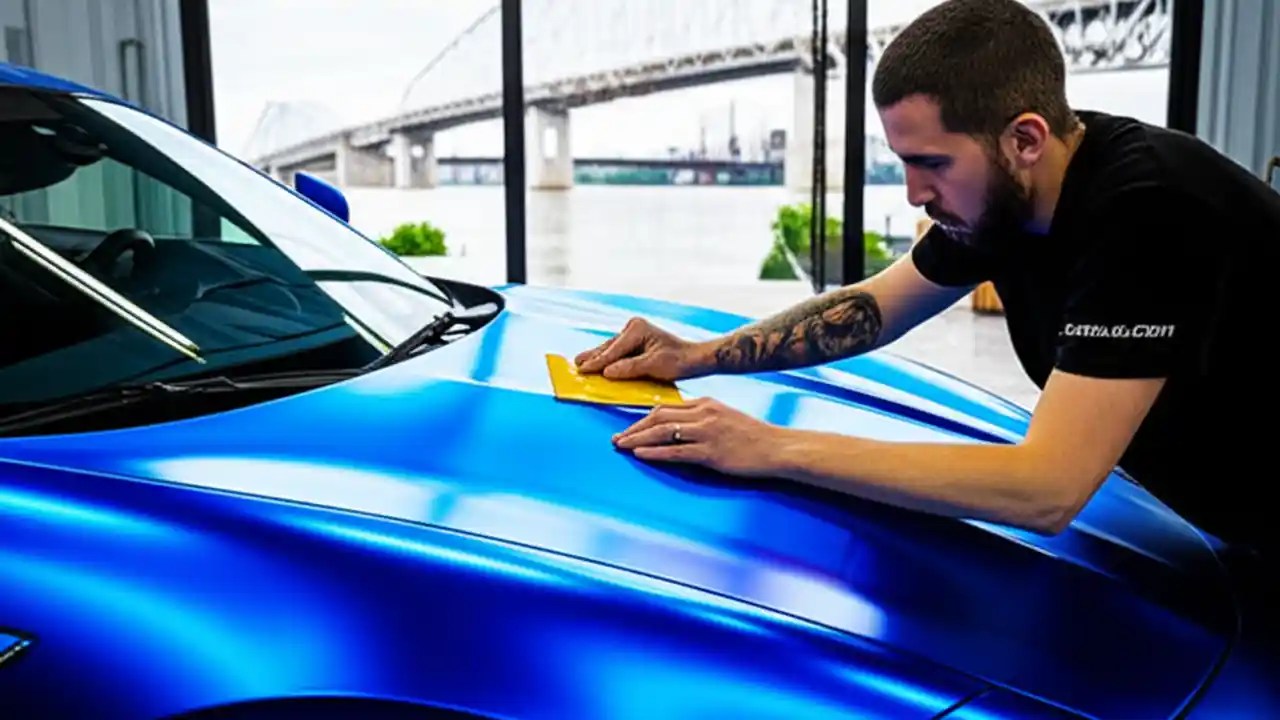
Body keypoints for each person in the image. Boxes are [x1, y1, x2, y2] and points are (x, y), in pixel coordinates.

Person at [574, 0, 1280, 564]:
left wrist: (771, 447)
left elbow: (1047, 488)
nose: (914, 194)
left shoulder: (1146, 210)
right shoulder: (1010, 196)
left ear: (1025, 139)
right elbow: (872, 309)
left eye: (932, 164)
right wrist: (699, 354)